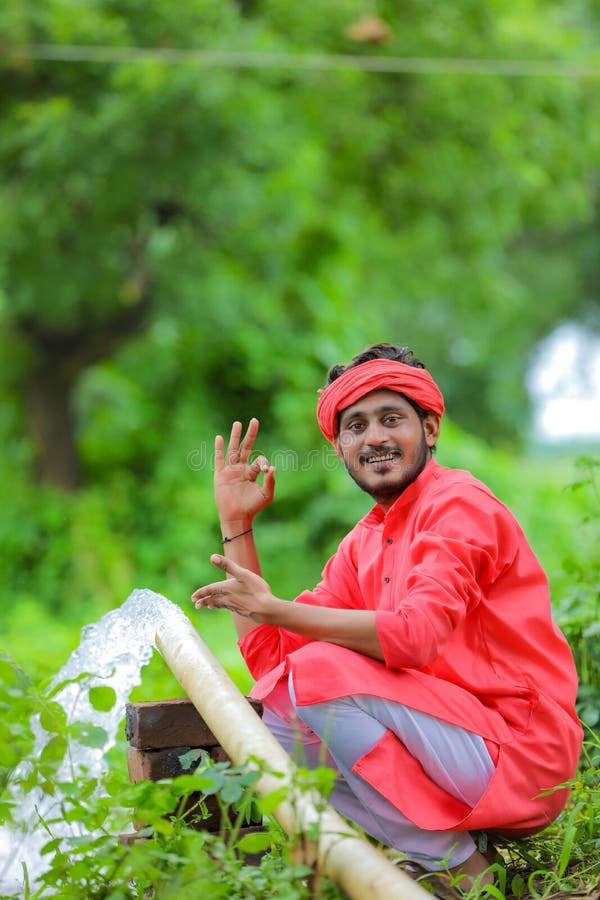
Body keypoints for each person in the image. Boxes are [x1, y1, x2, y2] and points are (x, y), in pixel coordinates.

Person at [191, 343, 583, 887]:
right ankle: (454, 864)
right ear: (341, 448)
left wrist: (277, 609)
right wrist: (236, 524)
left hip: (522, 756)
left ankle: (457, 870)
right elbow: (271, 663)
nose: (373, 437)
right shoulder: (364, 542)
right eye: (355, 427)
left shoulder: (459, 505)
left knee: (317, 674)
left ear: (430, 428)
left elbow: (417, 636)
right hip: (453, 744)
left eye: (391, 419)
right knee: (278, 710)